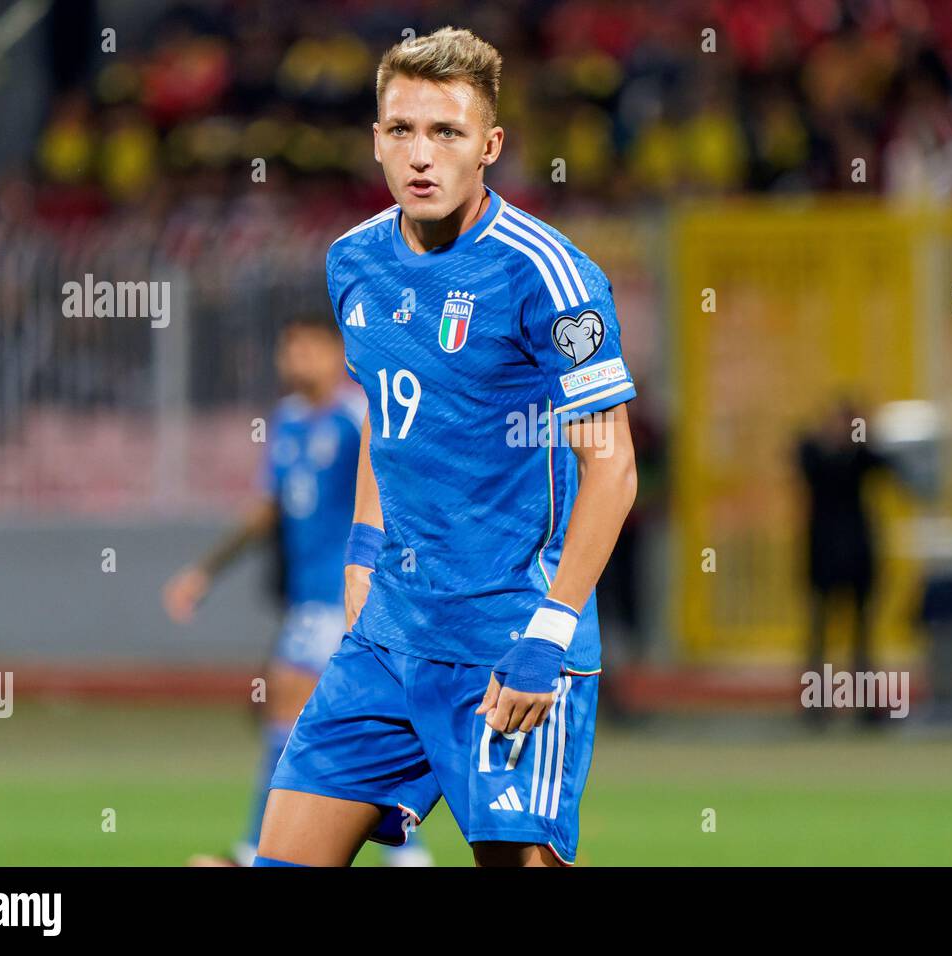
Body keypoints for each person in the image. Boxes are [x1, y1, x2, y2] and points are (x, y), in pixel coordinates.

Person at [254, 27, 639, 867]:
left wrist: (551, 628)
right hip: (388, 636)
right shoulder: (353, 261)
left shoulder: (550, 275)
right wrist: (362, 548)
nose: (421, 155)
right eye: (402, 130)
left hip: (509, 637)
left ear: (489, 147)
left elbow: (611, 466)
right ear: (376, 141)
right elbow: (388, 420)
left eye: (447, 133)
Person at [162, 315, 431, 866]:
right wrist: (206, 572)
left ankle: (257, 849)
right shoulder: (287, 421)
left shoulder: (360, 415)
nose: (295, 359)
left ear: (337, 354)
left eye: (308, 348)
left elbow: (401, 494)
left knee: (296, 710)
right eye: (289, 348)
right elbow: (268, 509)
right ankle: (401, 855)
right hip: (307, 601)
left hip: (353, 597)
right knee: (318, 722)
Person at [796, 399, 890, 722]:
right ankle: (816, 706)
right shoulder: (814, 453)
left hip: (857, 556)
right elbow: (808, 463)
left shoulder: (861, 456)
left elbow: (883, 465)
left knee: (861, 636)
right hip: (823, 555)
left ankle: (866, 707)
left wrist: (860, 439)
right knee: (819, 633)